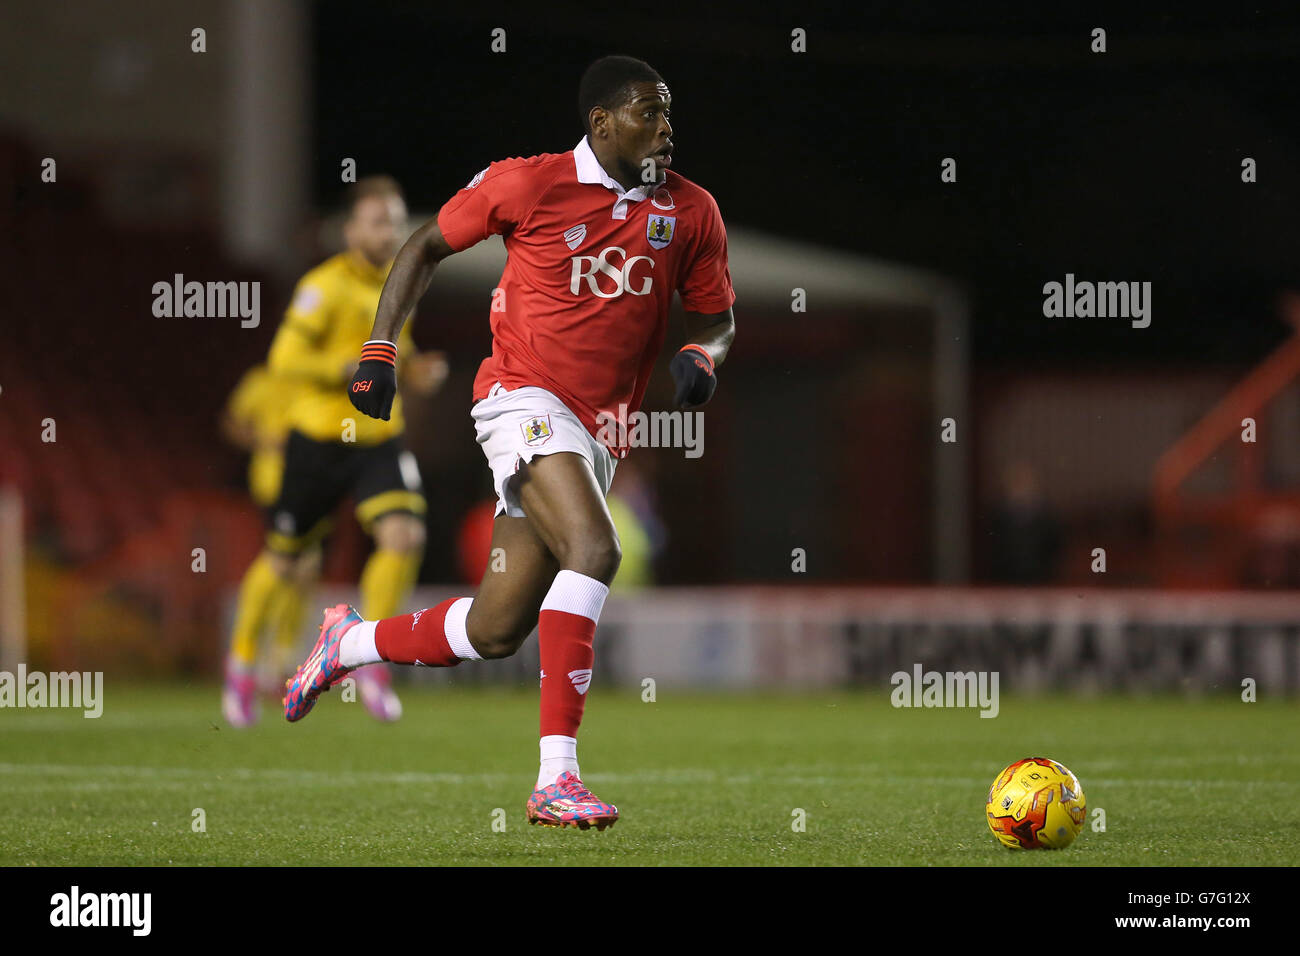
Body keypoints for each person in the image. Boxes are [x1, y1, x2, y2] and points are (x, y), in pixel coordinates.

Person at [284, 55, 736, 830]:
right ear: (602, 123)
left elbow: (715, 315)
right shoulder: (531, 184)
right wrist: (379, 351)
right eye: (648, 113)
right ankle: (556, 778)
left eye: (669, 114)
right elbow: (425, 246)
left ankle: (349, 642)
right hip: (519, 399)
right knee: (596, 549)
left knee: (494, 630)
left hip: (598, 432)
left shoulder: (692, 211)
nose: (666, 129)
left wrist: (702, 355)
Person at [225, 175, 448, 725]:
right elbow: (283, 359)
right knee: (284, 561)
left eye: (395, 219)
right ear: (350, 229)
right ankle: (242, 666)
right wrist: (343, 367)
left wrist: (415, 369)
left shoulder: (404, 281)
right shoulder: (322, 286)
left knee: (404, 534)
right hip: (319, 441)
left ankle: (370, 658)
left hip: (377, 437)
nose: (389, 230)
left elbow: (400, 345)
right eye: (377, 220)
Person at [219, 363, 322, 725]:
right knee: (284, 563)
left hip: (312, 485)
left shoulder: (317, 380)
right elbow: (232, 422)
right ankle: (244, 663)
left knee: (304, 568)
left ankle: (274, 663)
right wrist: (261, 442)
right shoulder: (260, 381)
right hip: (275, 483)